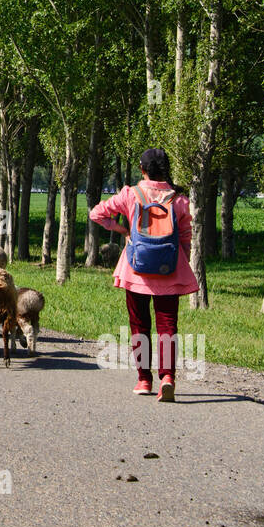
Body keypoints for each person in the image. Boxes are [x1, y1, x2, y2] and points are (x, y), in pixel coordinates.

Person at [88, 148, 198, 402]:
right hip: (170, 270)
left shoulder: (131, 194)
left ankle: (144, 379)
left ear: (143, 170)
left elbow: (97, 213)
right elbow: (185, 236)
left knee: (139, 325)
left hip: (136, 269)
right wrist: (180, 260)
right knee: (167, 326)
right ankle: (168, 377)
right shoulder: (179, 200)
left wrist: (122, 229)